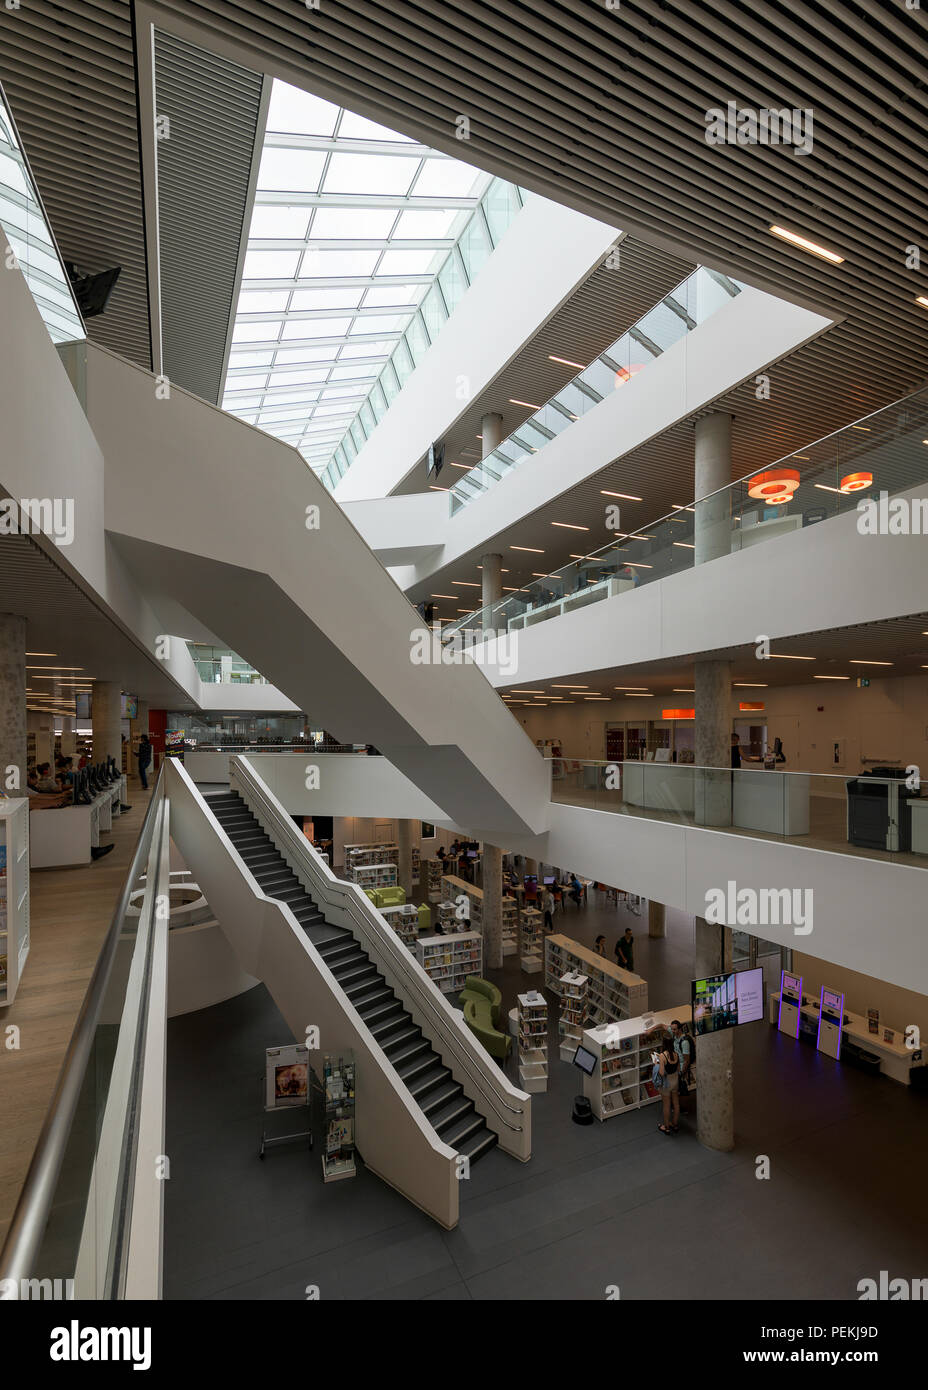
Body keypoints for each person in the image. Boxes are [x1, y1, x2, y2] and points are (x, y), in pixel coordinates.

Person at [658, 1035, 680, 1134]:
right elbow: (678, 1069)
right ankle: (674, 1124)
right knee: (676, 1103)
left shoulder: (662, 1056)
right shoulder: (676, 1054)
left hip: (666, 1083)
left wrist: (657, 1064)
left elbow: (662, 1073)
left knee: (666, 1105)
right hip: (675, 1081)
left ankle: (666, 1127)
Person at [670, 1019, 692, 1088]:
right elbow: (662, 1025)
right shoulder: (674, 1035)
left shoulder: (684, 1042)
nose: (672, 1031)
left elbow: (686, 1060)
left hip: (681, 1068)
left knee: (680, 1086)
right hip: (677, 1065)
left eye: (674, 1029)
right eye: (671, 1029)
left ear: (679, 1029)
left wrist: (682, 1073)